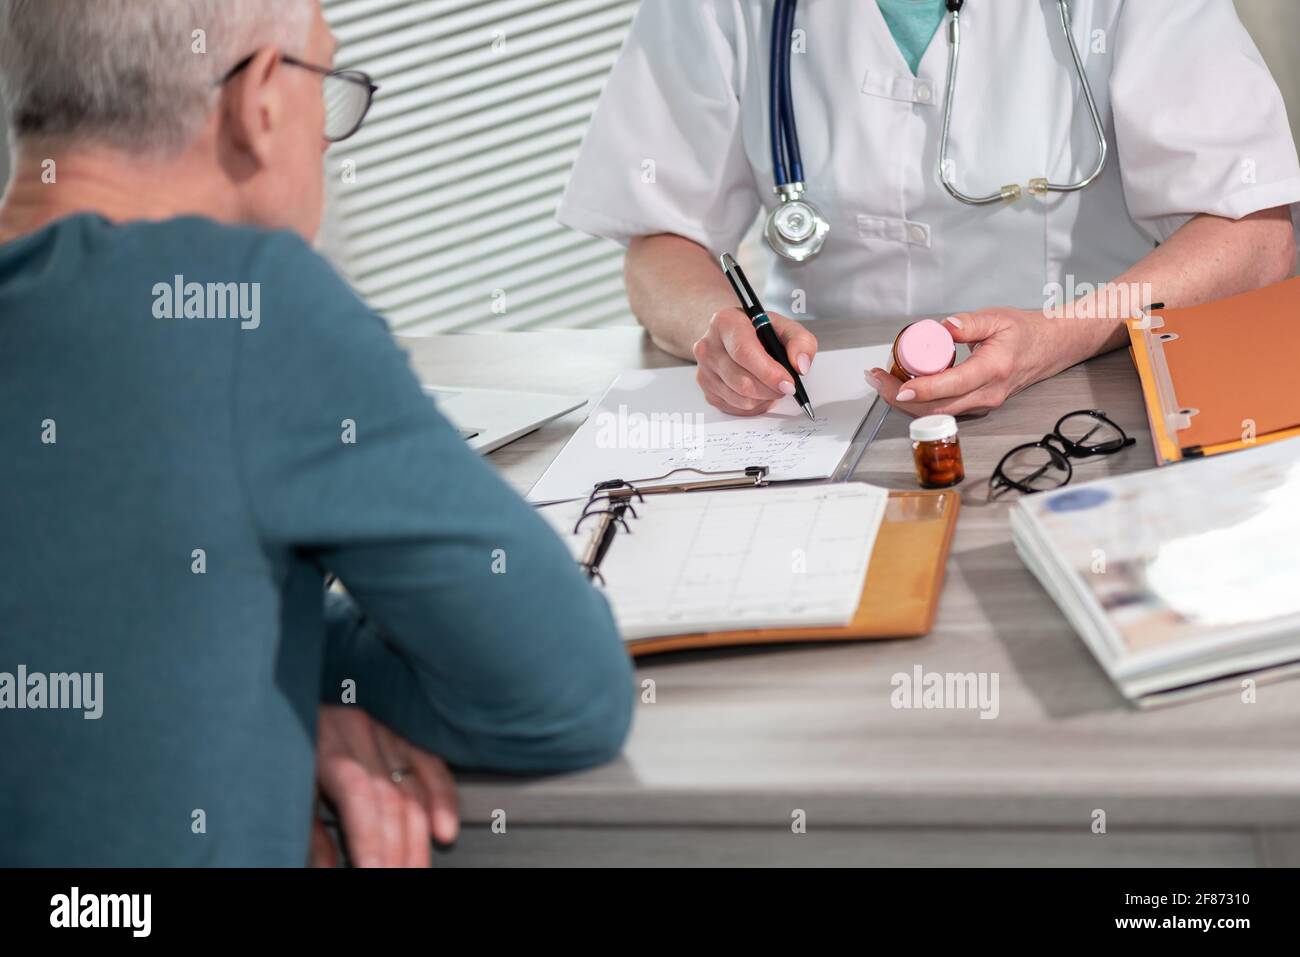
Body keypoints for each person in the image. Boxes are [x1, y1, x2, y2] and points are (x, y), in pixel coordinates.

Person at [0, 0, 632, 867]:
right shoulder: (249, 310)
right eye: (328, 83)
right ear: (261, 102)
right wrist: (287, 676)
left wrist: (245, 674)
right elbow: (566, 692)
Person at [557, 0, 1299, 418]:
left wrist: (1057, 335)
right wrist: (714, 330)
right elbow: (659, 240)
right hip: (818, 413)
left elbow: (1255, 236)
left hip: (1087, 397)